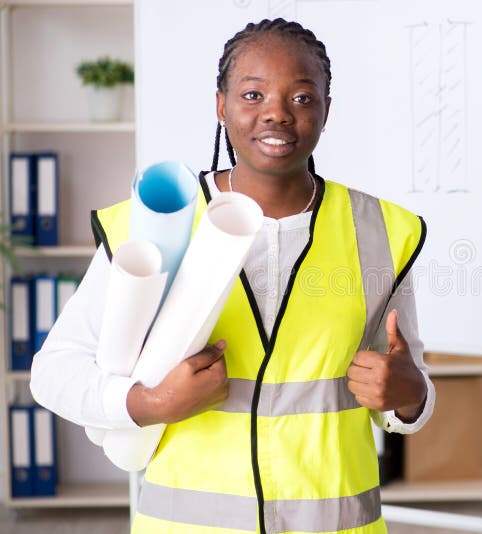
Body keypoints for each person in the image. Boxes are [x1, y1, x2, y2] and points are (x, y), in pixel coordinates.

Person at [30, 18, 434, 534]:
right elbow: (54, 370)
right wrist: (149, 403)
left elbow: (406, 390)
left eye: (303, 98)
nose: (277, 114)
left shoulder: (380, 232)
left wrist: (411, 395)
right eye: (253, 94)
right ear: (221, 106)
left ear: (327, 111)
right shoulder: (158, 222)